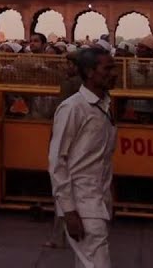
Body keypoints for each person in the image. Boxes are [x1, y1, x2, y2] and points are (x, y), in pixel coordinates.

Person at [50, 47, 119, 268]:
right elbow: (57, 162)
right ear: (90, 72)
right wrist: (69, 211)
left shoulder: (105, 105)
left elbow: (102, 159)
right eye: (107, 68)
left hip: (99, 199)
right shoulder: (73, 108)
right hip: (82, 203)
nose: (113, 73)